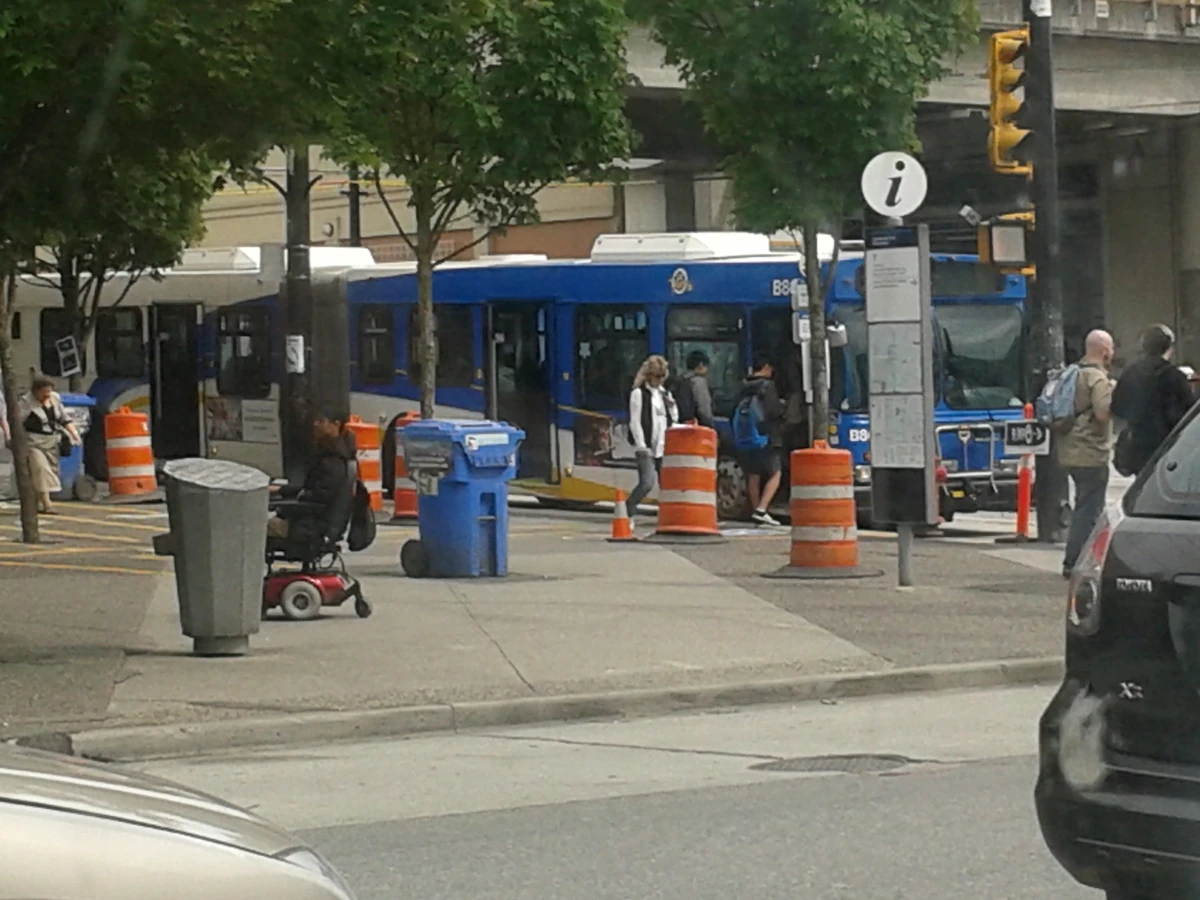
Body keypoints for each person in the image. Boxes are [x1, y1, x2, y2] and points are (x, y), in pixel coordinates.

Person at [1059, 329, 1115, 578]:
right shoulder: (1098, 379)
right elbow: (1103, 414)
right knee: (1089, 511)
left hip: (1069, 450)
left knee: (1083, 505)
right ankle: (1076, 562)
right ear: (1104, 350)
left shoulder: (1072, 373)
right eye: (1111, 349)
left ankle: (1075, 559)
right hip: (1091, 452)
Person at [1111, 323, 1194, 476]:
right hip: (1167, 445)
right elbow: (1189, 412)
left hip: (1137, 444)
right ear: (1169, 347)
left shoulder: (1130, 373)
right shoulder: (1175, 377)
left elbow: (1117, 408)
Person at [267, 408, 356, 547]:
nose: (315, 424)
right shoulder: (335, 455)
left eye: (321, 421)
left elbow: (319, 495)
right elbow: (311, 489)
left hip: (310, 526)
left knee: (255, 526)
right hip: (315, 521)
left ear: (336, 424)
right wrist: (280, 490)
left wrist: (281, 507)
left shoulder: (332, 460)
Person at [626, 355, 678, 528]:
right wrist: (641, 445)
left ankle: (668, 516)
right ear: (649, 375)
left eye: (663, 376)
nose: (660, 380)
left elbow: (673, 418)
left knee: (668, 484)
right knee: (647, 482)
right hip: (646, 445)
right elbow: (635, 421)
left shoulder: (665, 394)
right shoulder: (638, 393)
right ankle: (629, 507)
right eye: (657, 376)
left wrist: (672, 406)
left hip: (664, 444)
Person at [18, 375, 80, 515]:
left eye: (49, 391)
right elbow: (17, 423)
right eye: (44, 392)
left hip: (51, 440)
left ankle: (39, 502)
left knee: (51, 470)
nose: (47, 395)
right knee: (40, 469)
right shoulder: (25, 402)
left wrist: (74, 434)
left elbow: (64, 418)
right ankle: (47, 504)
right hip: (32, 441)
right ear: (36, 391)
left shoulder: (54, 398)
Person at [737, 354, 785, 526]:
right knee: (776, 473)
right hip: (766, 435)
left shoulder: (744, 385)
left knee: (753, 474)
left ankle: (755, 509)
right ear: (765, 367)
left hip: (748, 435)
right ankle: (761, 509)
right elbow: (774, 412)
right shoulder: (767, 386)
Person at [674, 350, 715, 428]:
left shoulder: (680, 381)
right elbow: (704, 410)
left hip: (680, 427)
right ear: (700, 365)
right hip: (696, 429)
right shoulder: (698, 382)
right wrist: (711, 426)